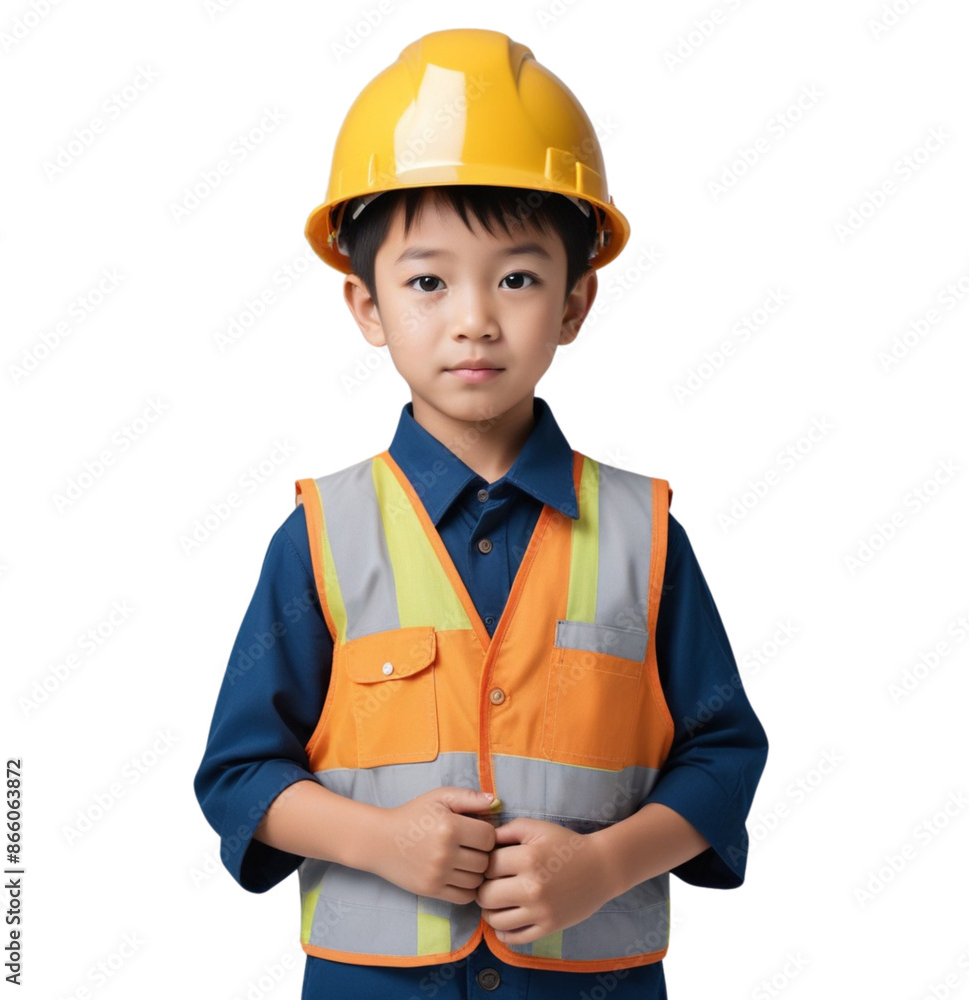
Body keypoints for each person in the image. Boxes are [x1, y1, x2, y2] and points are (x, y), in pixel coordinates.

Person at [194, 27, 769, 1000]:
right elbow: (240, 774)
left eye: (517, 277)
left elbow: (722, 760)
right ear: (365, 305)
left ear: (575, 301)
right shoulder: (323, 537)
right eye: (426, 279)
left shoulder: (645, 536)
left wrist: (605, 866)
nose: (474, 317)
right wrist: (379, 841)